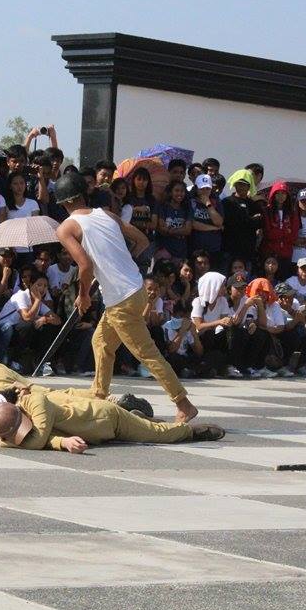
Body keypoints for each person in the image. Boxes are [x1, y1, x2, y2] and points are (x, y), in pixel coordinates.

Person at [55, 171, 201, 425]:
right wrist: (119, 263)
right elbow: (142, 240)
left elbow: (85, 266)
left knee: (147, 353)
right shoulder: (107, 214)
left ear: (64, 202)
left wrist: (83, 295)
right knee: (101, 342)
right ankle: (99, 394)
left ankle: (183, 403)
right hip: (135, 289)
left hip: (120, 299)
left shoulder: (66, 228)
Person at [0, 388, 223, 453]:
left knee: (160, 434)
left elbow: (37, 441)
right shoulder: (30, 418)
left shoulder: (37, 403)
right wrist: (62, 443)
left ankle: (190, 431)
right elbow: (45, 436)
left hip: (108, 419)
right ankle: (139, 417)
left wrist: (0, 442)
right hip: (96, 432)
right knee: (147, 427)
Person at [220, 169, 260, 272]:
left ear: (249, 186)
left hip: (247, 251)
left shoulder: (253, 205)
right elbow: (231, 222)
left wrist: (246, 220)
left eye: (244, 184)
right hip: (229, 249)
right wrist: (250, 220)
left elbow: (258, 223)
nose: (241, 187)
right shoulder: (227, 202)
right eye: (238, 184)